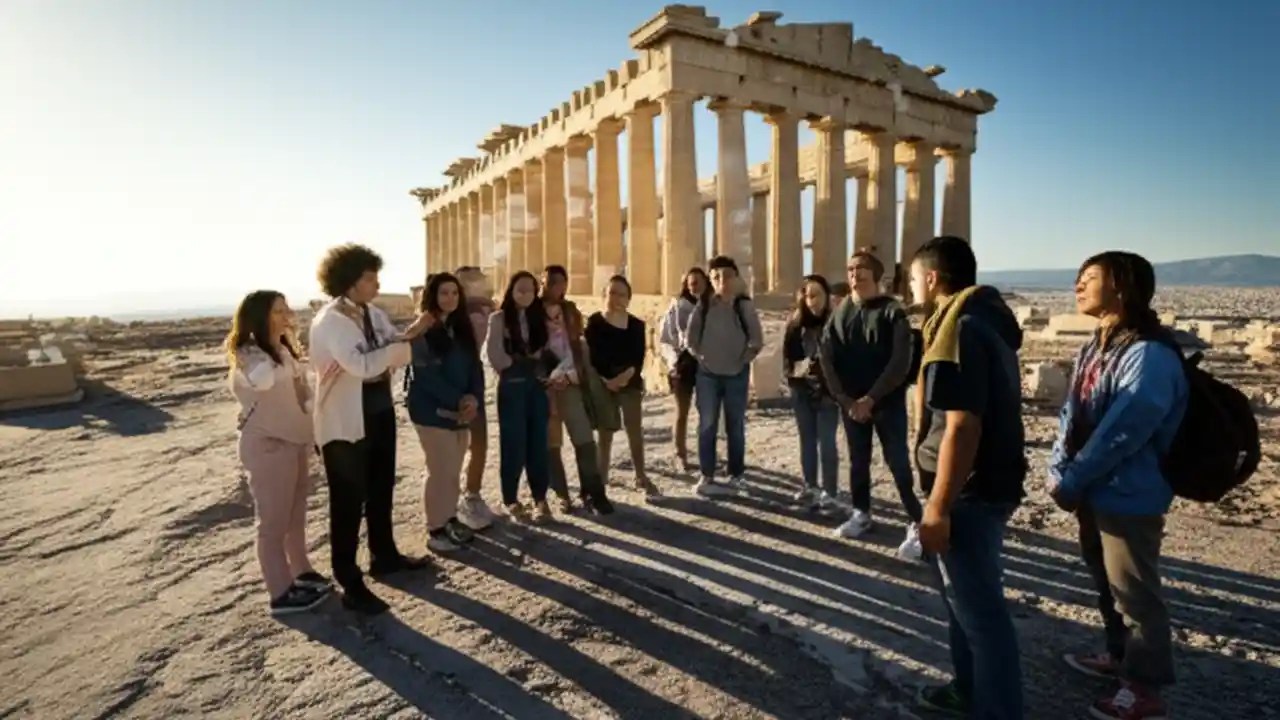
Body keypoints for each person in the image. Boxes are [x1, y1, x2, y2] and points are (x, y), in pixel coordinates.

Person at [1050, 251, 1186, 720]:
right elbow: (1072, 414)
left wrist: (1073, 477)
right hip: (1092, 488)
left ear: (1121, 287)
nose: (1078, 285)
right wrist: (1058, 468)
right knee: (1106, 582)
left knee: (1135, 593)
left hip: (1130, 492)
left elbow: (1123, 431)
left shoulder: (1149, 353)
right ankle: (1118, 655)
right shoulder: (1098, 344)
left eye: (1090, 277)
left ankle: (1145, 688)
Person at [910, 236, 1025, 719]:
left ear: (933, 279)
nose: (911, 287)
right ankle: (968, 689)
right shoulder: (987, 320)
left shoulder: (957, 330)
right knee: (963, 603)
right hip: (987, 481)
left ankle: (996, 710)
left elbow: (961, 424)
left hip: (967, 491)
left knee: (981, 615)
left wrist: (936, 507)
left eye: (914, 278)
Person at [310, 244, 434, 615]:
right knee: (347, 503)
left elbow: (389, 345)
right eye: (369, 276)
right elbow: (361, 364)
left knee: (381, 489)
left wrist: (400, 344)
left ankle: (385, 556)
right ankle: (349, 580)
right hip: (344, 424)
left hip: (378, 413)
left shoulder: (371, 313)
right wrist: (396, 350)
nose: (376, 282)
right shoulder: (331, 321)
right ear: (348, 280)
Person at [228, 290, 331, 616]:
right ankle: (280, 591)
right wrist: (278, 349)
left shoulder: (284, 351)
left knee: (294, 516)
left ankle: (301, 572)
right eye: (278, 311)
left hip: (295, 441)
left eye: (287, 309)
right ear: (259, 317)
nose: (287, 314)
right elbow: (262, 382)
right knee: (273, 523)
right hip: (268, 445)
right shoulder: (249, 354)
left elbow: (304, 397)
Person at [820, 251, 923, 559]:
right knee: (858, 461)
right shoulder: (840, 312)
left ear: (878, 277)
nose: (855, 274)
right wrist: (845, 399)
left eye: (862, 269)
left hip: (886, 403)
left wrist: (871, 398)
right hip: (851, 405)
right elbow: (826, 358)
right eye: (851, 269)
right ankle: (861, 513)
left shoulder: (893, 312)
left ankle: (917, 523)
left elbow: (899, 362)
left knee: (898, 463)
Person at [405, 272, 483, 554]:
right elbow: (425, 375)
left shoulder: (462, 327)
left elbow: (475, 366)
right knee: (440, 469)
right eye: (443, 293)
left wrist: (473, 398)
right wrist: (459, 399)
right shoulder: (423, 329)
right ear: (432, 296)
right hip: (431, 409)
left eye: (454, 293)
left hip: (461, 409)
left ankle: (449, 519)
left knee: (453, 469)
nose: (449, 298)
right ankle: (435, 529)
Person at [685, 255, 765, 497]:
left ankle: (736, 475)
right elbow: (690, 338)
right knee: (707, 425)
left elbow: (757, 339)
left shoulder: (744, 305)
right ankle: (707, 475)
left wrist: (742, 361)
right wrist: (702, 357)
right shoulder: (705, 304)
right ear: (711, 279)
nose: (723, 281)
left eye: (728, 276)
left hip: (736, 375)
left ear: (736, 277)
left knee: (736, 427)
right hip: (708, 375)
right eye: (717, 276)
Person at [485, 271, 556, 523]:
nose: (525, 294)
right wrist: (519, 361)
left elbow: (550, 350)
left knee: (538, 442)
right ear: (511, 291)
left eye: (530, 289)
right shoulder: (499, 319)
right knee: (513, 442)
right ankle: (511, 499)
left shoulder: (541, 319)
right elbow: (495, 355)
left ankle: (540, 498)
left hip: (536, 386)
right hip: (512, 384)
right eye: (520, 289)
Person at [585, 275, 659, 498]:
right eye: (612, 293)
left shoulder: (637, 325)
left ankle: (640, 475)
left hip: (629, 382)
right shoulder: (595, 322)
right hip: (603, 383)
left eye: (621, 294)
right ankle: (602, 478)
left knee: (634, 430)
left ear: (628, 299)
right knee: (605, 432)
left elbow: (637, 357)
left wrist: (623, 378)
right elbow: (593, 355)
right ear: (604, 295)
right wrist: (607, 381)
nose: (616, 298)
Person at [543, 292, 614, 514]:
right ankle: (562, 494)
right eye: (550, 318)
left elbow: (585, 368)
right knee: (552, 446)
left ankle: (593, 491)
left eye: (559, 317)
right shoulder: (540, 343)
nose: (555, 322)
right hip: (548, 396)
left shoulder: (578, 344)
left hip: (571, 393)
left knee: (583, 440)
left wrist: (568, 377)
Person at [783, 275, 841, 511]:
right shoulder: (795, 326)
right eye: (807, 295)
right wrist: (804, 367)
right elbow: (787, 362)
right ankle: (810, 486)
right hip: (802, 390)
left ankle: (830, 492)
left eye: (817, 294)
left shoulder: (836, 324)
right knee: (807, 441)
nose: (812, 300)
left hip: (829, 393)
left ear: (827, 297)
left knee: (827, 443)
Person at [454, 266, 498, 530]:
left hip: (474, 376)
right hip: (453, 378)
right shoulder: (450, 313)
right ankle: (453, 497)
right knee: (456, 443)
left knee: (479, 440)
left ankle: (472, 493)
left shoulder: (486, 310)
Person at [658, 267, 710, 472]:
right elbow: (667, 338)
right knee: (682, 412)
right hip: (684, 363)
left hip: (707, 363)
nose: (695, 285)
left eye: (698, 281)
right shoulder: (679, 307)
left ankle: (707, 454)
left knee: (707, 412)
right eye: (691, 282)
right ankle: (680, 454)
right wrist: (673, 362)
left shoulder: (711, 306)